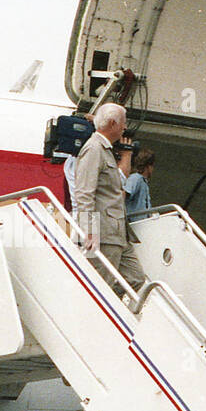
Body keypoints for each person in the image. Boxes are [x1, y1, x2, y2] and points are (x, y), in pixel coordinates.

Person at [71, 103, 144, 291]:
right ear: (112, 123)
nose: (124, 127)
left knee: (135, 278)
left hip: (117, 232)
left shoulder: (106, 149)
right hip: (103, 233)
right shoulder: (94, 149)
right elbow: (84, 193)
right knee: (100, 284)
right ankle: (96, 315)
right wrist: (89, 230)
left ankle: (110, 309)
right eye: (123, 123)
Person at [124, 147, 154, 215]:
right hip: (134, 222)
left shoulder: (144, 183)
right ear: (148, 166)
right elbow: (124, 194)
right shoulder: (136, 178)